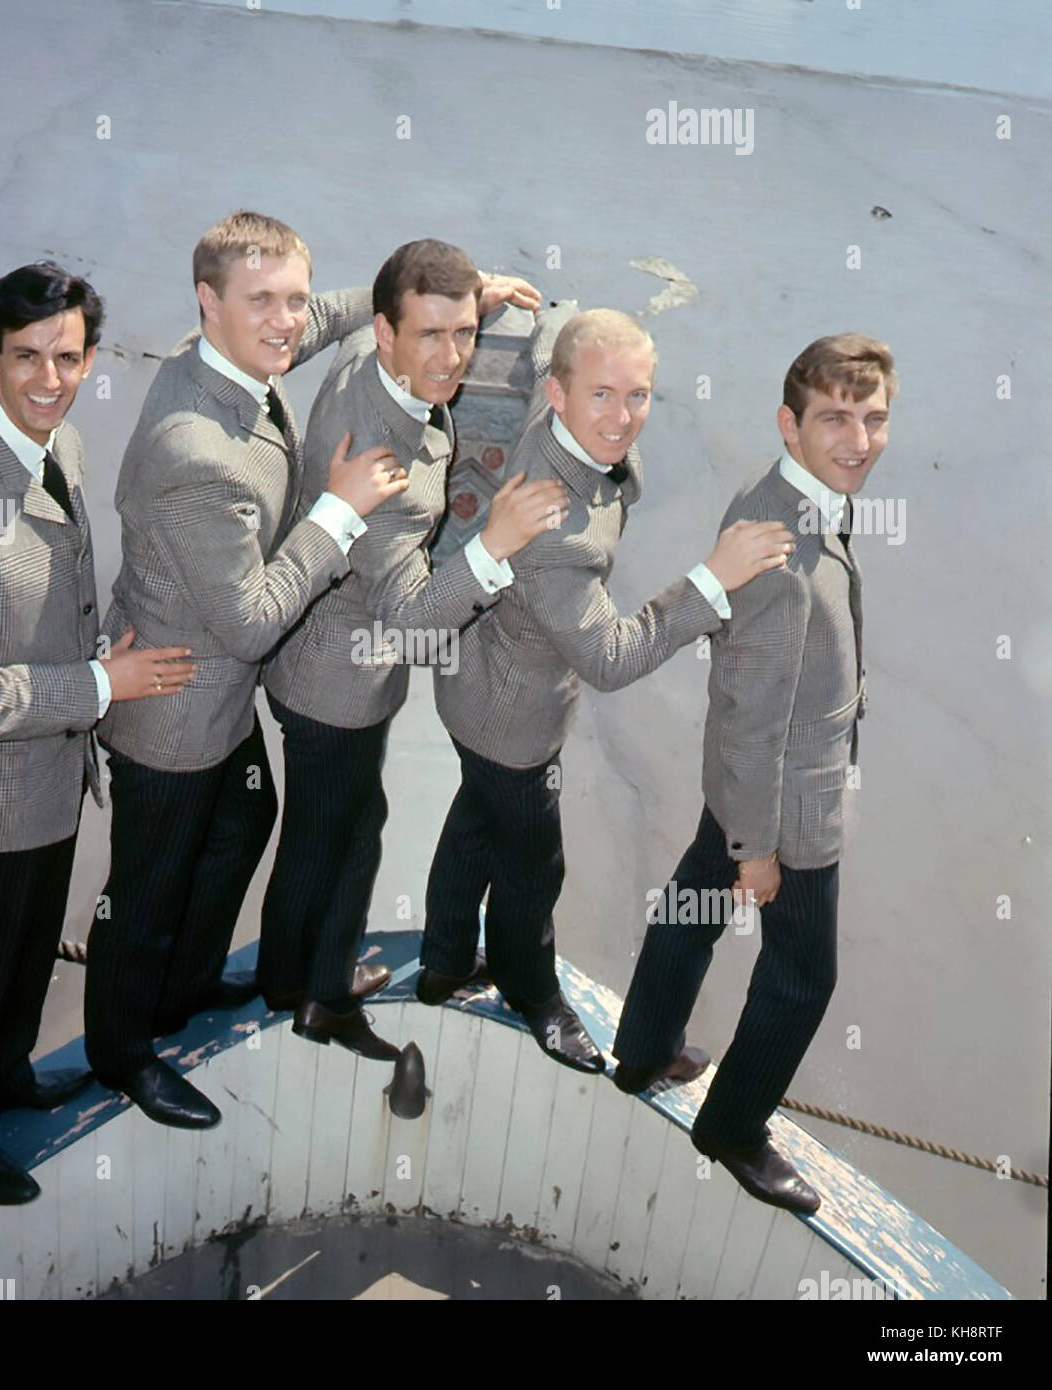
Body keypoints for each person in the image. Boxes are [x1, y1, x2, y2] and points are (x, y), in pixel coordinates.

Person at [84, 211, 407, 1128]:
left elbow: (317, 317)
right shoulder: (195, 451)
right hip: (175, 709)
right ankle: (123, 1054)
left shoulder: (224, 357)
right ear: (206, 301)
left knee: (246, 820)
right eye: (261, 300)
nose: (285, 321)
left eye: (293, 299)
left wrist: (408, 298)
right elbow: (252, 624)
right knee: (144, 896)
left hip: (218, 700)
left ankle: (182, 990)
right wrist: (338, 513)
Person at [0, 263, 194, 1204]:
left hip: (53, 765)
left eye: (67, 357)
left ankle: (8, 1072)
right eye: (26, 357)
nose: (48, 379)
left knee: (29, 945)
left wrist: (97, 651)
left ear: (91, 358)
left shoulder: (62, 443)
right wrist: (103, 683)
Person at [423, 306, 794, 1074]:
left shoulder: (559, 422)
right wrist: (711, 581)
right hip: (510, 724)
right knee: (534, 867)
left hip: (470, 683)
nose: (623, 419)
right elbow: (611, 659)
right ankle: (531, 993)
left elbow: (553, 356)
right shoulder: (554, 534)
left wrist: (515, 306)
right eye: (602, 396)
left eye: (638, 395)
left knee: (474, 821)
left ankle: (444, 959)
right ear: (558, 396)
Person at [611, 334, 895, 1215]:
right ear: (788, 423)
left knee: (691, 908)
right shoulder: (781, 560)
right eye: (835, 419)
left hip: (746, 787)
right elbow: (751, 720)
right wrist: (757, 852)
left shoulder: (780, 496)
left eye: (874, 418)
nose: (859, 440)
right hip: (785, 808)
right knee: (802, 979)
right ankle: (732, 1130)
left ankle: (642, 1051)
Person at [259, 239, 564, 1058]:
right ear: (388, 331)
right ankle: (323, 999)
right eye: (430, 335)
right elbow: (414, 626)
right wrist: (492, 547)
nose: (452, 357)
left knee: (317, 831)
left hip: (304, 652)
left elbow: (384, 309)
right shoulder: (385, 466)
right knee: (347, 835)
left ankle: (286, 976)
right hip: (337, 684)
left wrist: (469, 296)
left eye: (462, 334)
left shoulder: (362, 357)